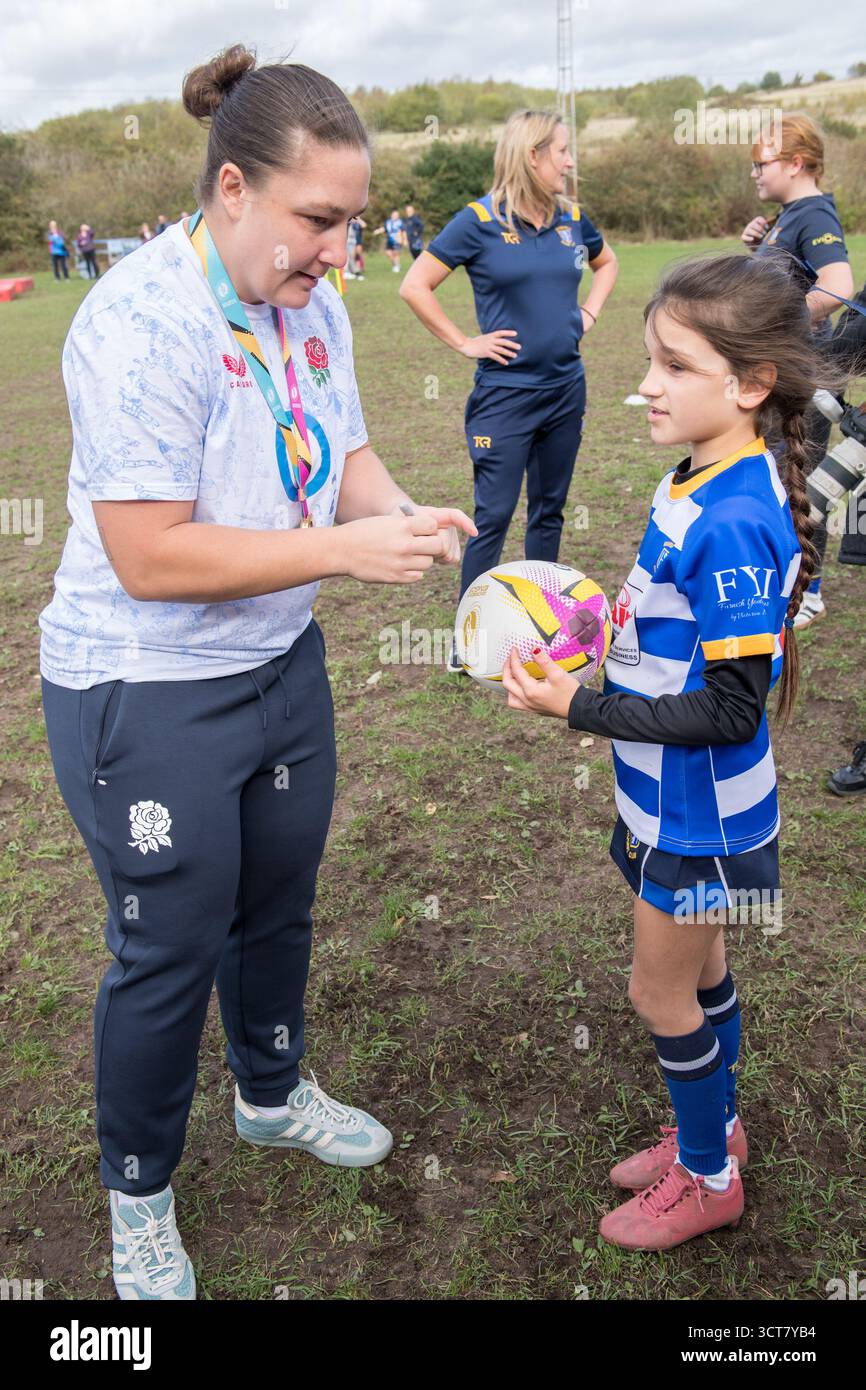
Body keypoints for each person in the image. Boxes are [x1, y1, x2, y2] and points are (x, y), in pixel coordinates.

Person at [38, 43, 474, 1302]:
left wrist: (399, 513)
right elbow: (149, 555)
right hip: (145, 685)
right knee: (168, 944)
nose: (343, 251)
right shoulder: (137, 319)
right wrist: (340, 551)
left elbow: (343, 452)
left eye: (350, 221)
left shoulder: (313, 304)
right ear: (232, 190)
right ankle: (137, 1196)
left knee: (277, 903)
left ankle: (271, 1093)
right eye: (320, 220)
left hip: (280, 660)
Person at [500, 252, 848, 1251]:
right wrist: (591, 625)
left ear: (746, 386)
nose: (643, 384)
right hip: (672, 798)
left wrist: (581, 707)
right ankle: (717, 1129)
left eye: (671, 365)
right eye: (646, 359)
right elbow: (665, 621)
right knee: (698, 978)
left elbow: (730, 710)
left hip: (703, 813)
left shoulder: (738, 516)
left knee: (657, 989)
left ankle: (705, 1179)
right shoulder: (695, 470)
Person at [401, 109, 618, 671]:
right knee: (491, 517)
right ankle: (468, 638)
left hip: (566, 387)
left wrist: (588, 313)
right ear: (533, 155)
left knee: (549, 512)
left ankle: (546, 632)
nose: (570, 162)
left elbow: (607, 262)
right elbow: (415, 284)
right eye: (563, 151)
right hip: (504, 396)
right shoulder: (477, 220)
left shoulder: (572, 217)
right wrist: (463, 342)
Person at [743, 114, 854, 628]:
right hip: (779, 372)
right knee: (775, 477)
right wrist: (757, 251)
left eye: (761, 163)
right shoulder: (789, 215)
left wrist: (781, 322)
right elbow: (790, 278)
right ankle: (783, 578)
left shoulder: (814, 216)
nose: (755, 174)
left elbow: (837, 284)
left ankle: (809, 593)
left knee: (800, 483)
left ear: (796, 162)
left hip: (805, 376)